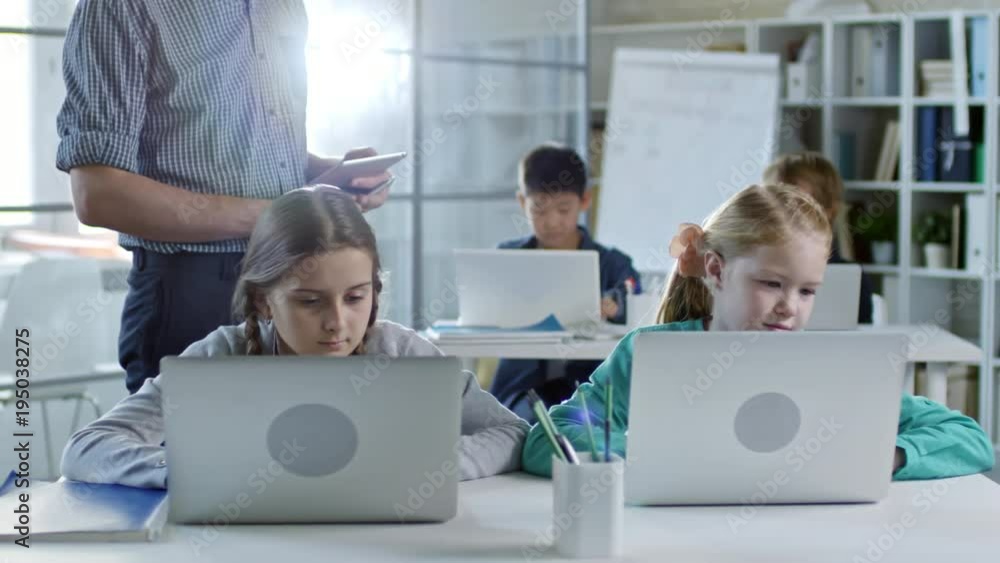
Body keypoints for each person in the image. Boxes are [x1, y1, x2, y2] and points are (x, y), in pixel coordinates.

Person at [61, 187, 529, 487]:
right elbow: (87, 448)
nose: (337, 323)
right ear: (265, 301)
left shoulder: (400, 352)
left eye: (355, 297)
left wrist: (433, 467)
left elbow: (512, 432)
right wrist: (188, 471)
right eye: (310, 301)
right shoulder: (219, 358)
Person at [520, 184, 994, 480]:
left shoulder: (827, 366)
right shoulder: (651, 354)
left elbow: (968, 437)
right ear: (717, 270)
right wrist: (655, 453)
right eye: (771, 283)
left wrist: (883, 456)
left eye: (807, 291)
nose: (789, 306)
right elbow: (549, 439)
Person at [56, 0, 391, 394]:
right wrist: (277, 215)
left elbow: (248, 150)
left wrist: (328, 176)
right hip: (192, 288)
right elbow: (99, 194)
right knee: (192, 452)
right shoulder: (123, 7)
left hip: (298, 280)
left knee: (305, 448)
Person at [490, 144, 641, 422]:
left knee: (583, 426)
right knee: (525, 426)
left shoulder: (612, 262)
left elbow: (633, 292)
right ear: (522, 202)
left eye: (563, 209)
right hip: (523, 389)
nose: (552, 221)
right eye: (539, 209)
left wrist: (614, 303)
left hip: (589, 386)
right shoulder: (507, 259)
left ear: (584, 201)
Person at [763, 152, 874, 323]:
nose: (783, 214)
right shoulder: (751, 269)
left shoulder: (849, 280)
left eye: (798, 205)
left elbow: (859, 345)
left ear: (830, 210)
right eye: (773, 202)